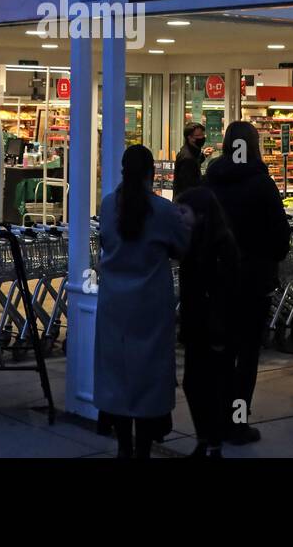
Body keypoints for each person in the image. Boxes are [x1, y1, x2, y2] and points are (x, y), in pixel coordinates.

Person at [94, 144, 189, 458]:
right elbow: (181, 246)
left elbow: (107, 242)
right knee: (149, 377)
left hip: (114, 306)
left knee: (118, 375)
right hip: (150, 306)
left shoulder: (108, 206)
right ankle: (144, 448)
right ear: (151, 173)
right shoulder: (163, 211)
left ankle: (123, 446)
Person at [203, 120, 290, 445]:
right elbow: (281, 239)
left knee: (220, 352)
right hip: (253, 281)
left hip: (217, 281)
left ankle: (216, 416)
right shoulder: (262, 185)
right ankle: (237, 422)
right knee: (247, 354)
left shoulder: (211, 181)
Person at [175, 186, 241, 459]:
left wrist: (219, 331)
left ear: (201, 214)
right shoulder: (195, 241)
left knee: (208, 385)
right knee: (194, 383)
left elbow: (224, 291)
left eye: (183, 211)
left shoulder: (220, 245)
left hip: (213, 328)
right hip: (197, 324)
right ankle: (206, 439)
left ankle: (212, 442)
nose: (180, 216)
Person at [173, 122, 207, 196]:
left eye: (203, 134)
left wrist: (203, 155)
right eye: (198, 135)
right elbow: (189, 184)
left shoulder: (192, 151)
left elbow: (194, 164)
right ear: (189, 137)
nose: (202, 137)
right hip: (186, 203)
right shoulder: (187, 157)